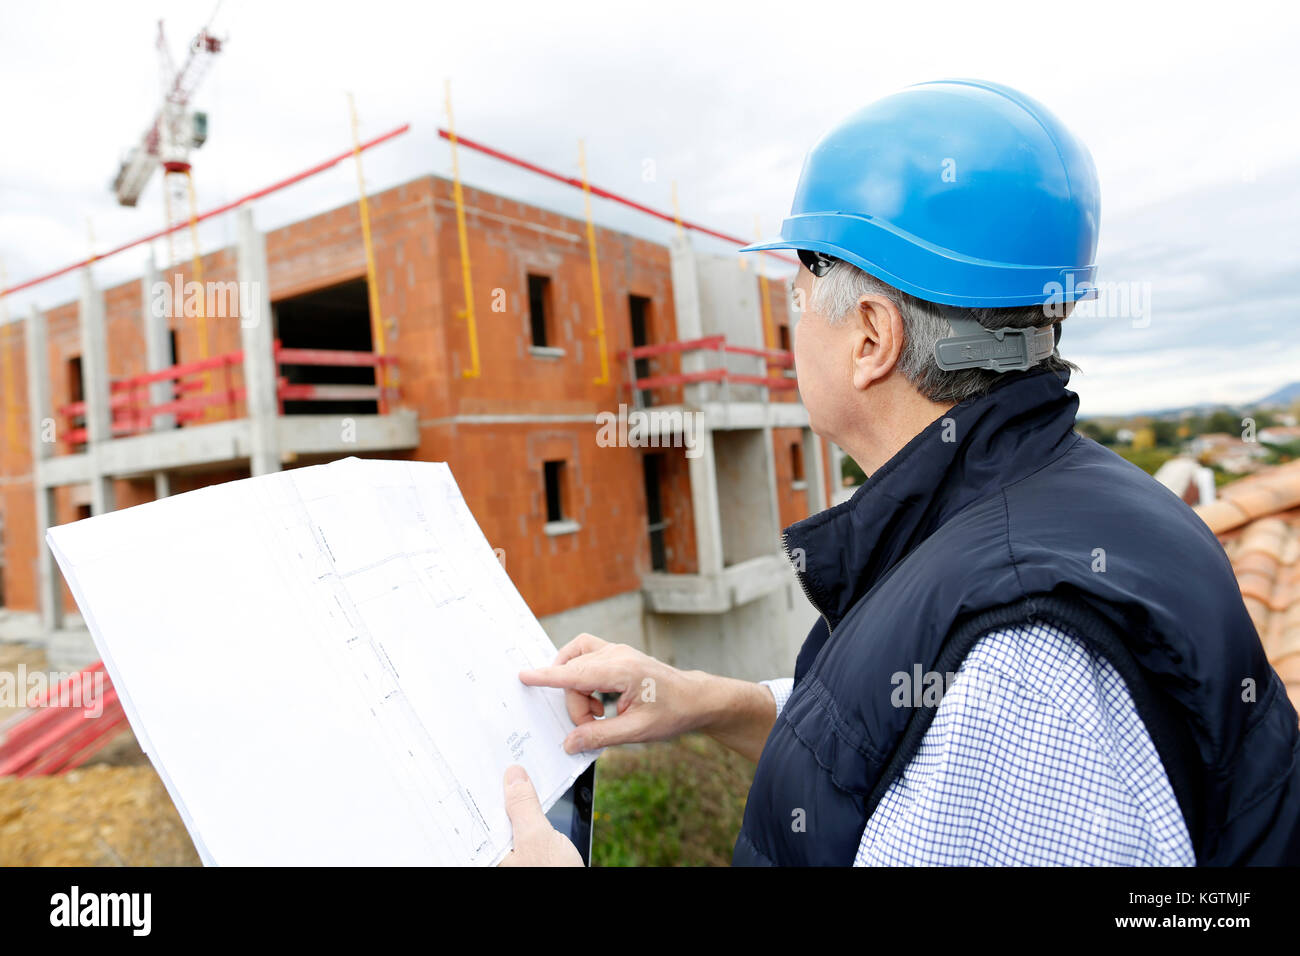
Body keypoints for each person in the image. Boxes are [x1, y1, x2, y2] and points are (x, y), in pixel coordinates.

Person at [498, 79, 1300, 867]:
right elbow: (894, 766)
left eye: (799, 296)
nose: (792, 327)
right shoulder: (1065, 509)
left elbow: (966, 754)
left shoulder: (1021, 667)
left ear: (872, 339)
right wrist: (714, 703)